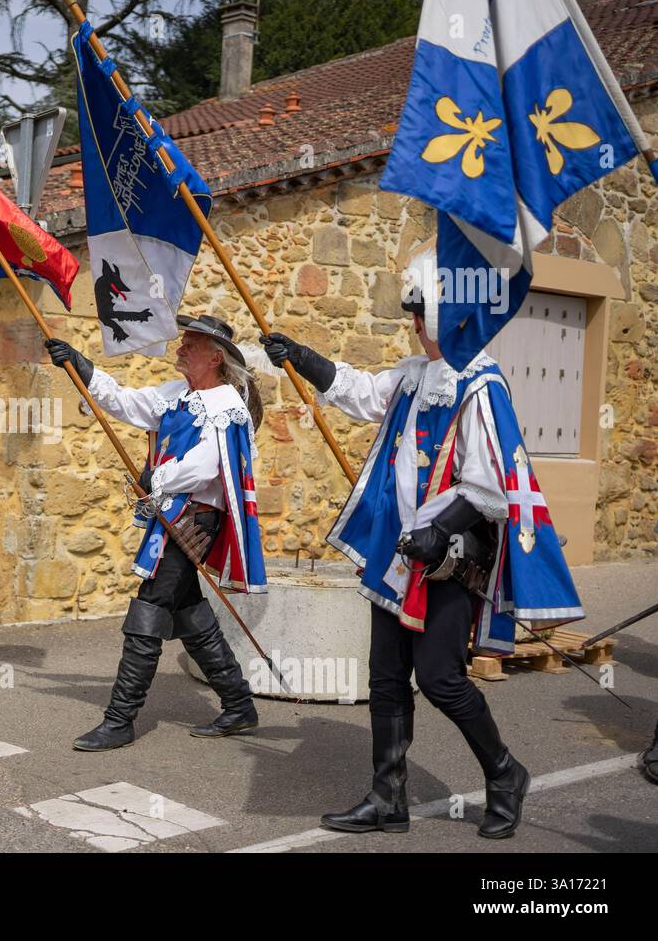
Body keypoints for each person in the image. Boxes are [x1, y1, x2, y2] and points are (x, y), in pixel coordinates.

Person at [260, 246, 582, 839]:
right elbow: (361, 393)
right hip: (400, 555)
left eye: (420, 313)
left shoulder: (480, 385)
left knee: (440, 678)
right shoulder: (414, 376)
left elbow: (490, 485)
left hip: (448, 561)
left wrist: (442, 527)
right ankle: (388, 799)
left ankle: (505, 773)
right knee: (385, 678)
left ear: (450, 315)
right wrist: (302, 358)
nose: (412, 324)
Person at [45, 314, 267, 752]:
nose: (181, 348)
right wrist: (82, 366)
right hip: (170, 513)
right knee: (187, 610)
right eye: (183, 341)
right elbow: (127, 403)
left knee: (149, 610)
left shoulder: (227, 406)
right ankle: (239, 705)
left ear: (215, 357)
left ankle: (120, 719)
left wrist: (158, 477)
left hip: (194, 520)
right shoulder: (175, 396)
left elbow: (209, 466)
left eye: (191, 344)